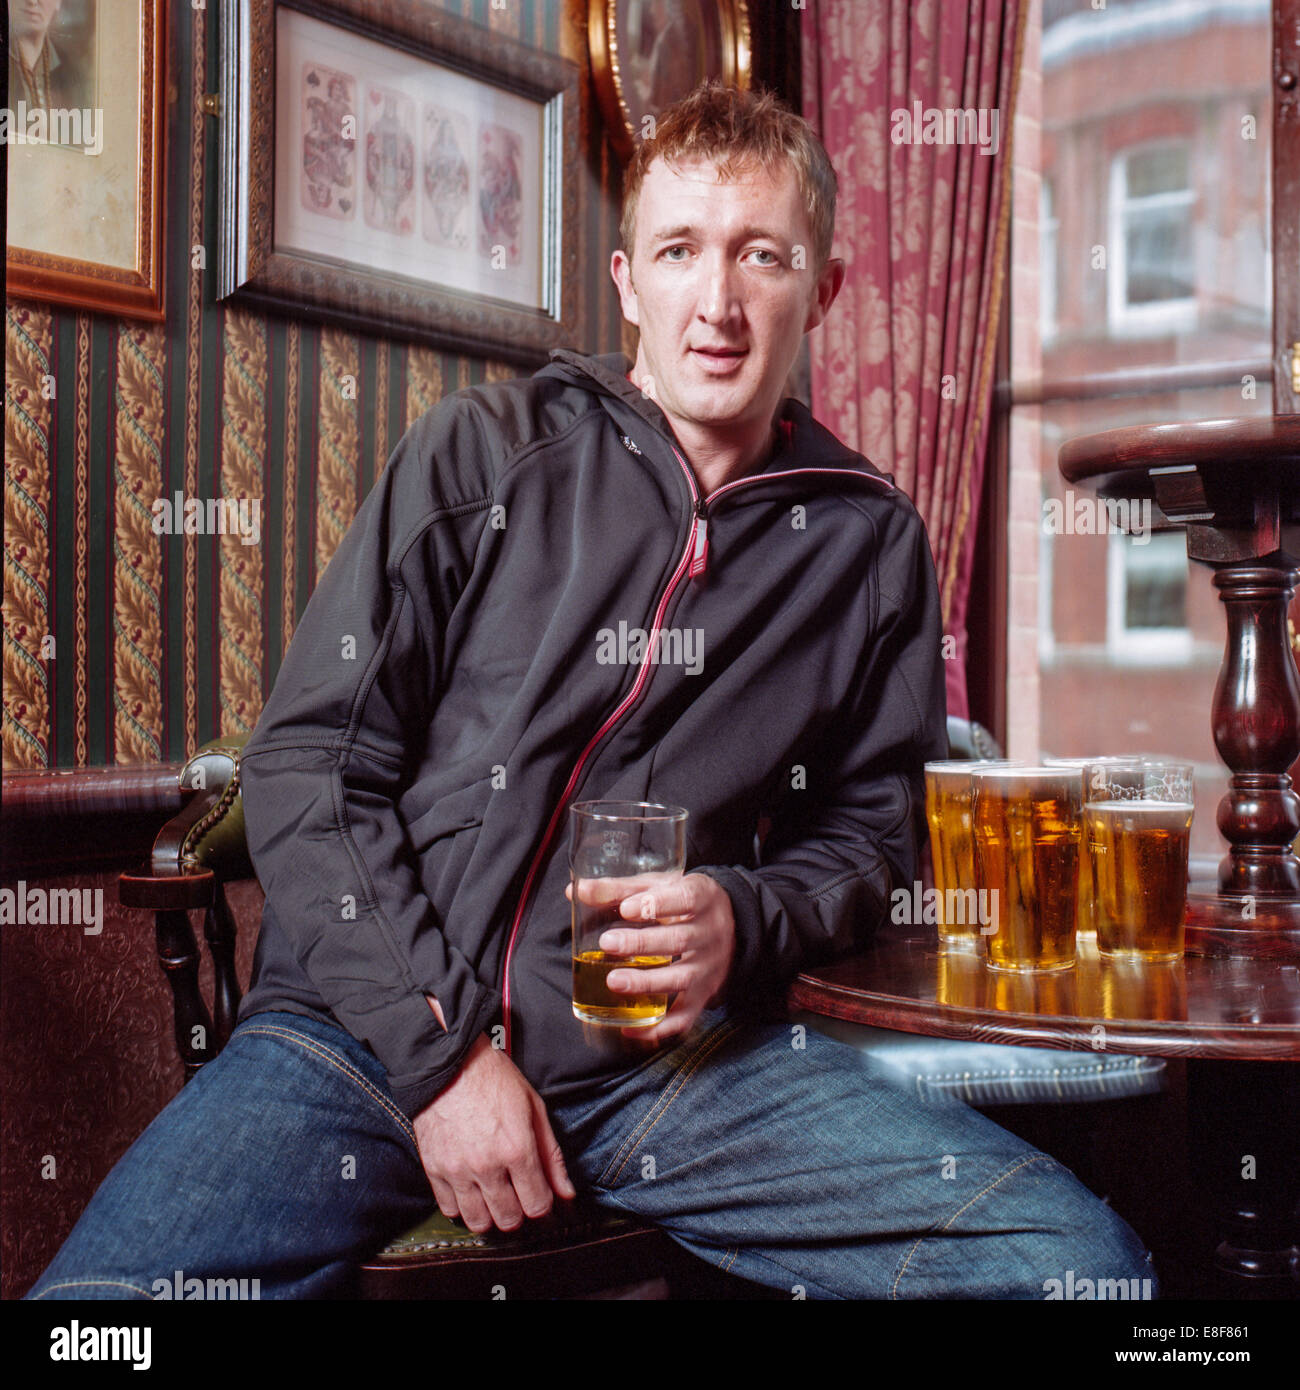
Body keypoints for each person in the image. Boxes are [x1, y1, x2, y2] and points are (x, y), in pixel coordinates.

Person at [27, 82, 1154, 1301]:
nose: (716, 304)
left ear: (821, 291)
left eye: (760, 257)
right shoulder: (483, 453)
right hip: (354, 1044)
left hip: (668, 1069)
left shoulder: (868, 540)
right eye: (680, 252)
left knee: (1081, 1269)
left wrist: (744, 913)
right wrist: (444, 1059)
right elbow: (310, 766)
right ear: (628, 282)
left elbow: (876, 830)